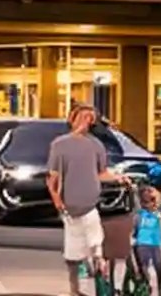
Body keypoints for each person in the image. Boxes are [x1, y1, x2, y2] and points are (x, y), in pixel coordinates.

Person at [47, 102, 130, 296]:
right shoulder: (60, 145)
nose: (87, 121)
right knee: (73, 253)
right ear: (73, 119)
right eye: (83, 117)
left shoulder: (96, 145)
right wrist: (57, 201)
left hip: (90, 204)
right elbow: (52, 178)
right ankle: (75, 290)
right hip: (70, 207)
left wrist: (118, 178)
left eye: (90, 118)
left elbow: (101, 173)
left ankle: (101, 286)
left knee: (96, 245)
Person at [133, 186, 161, 292]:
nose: (149, 205)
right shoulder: (139, 213)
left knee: (159, 265)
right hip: (142, 243)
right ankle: (146, 285)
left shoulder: (156, 212)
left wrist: (154, 197)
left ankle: (160, 288)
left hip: (155, 243)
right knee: (143, 266)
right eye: (146, 202)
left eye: (151, 202)